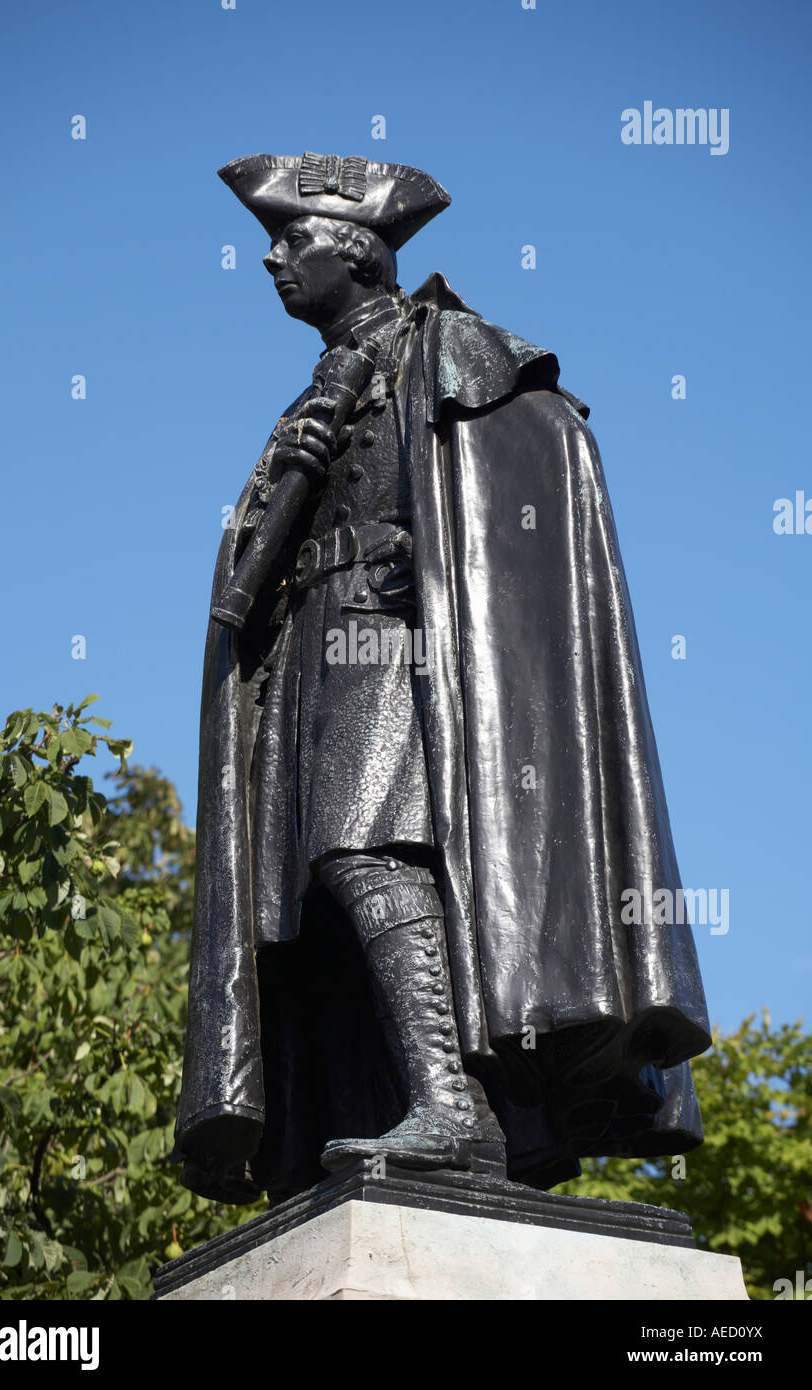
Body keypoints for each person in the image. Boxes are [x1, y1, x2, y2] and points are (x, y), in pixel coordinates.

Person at [174, 153, 712, 1203]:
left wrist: (445, 584)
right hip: (309, 657)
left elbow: (539, 460)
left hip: (401, 651)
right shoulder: (312, 396)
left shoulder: (458, 349)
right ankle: (403, 1111)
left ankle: (456, 1112)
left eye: (297, 242)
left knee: (362, 851)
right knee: (316, 905)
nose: (274, 261)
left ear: (362, 252)